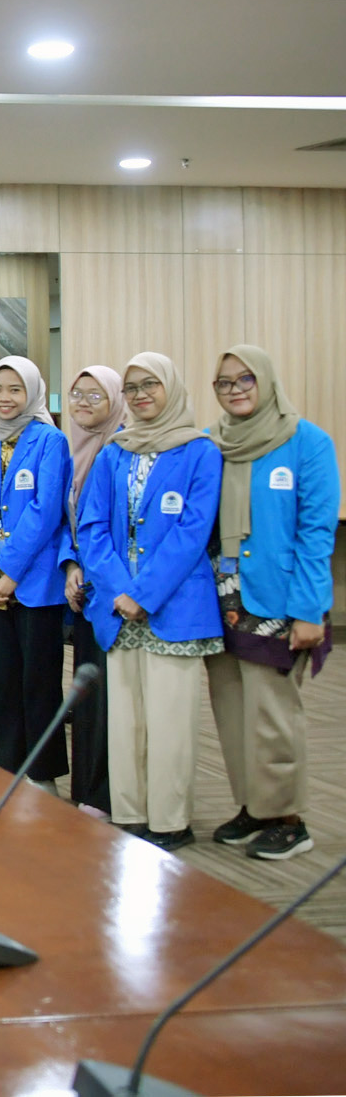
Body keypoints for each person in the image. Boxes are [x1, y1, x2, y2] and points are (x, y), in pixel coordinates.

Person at [76, 353, 222, 850]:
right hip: (117, 609)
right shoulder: (116, 452)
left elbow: (193, 531)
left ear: (172, 389)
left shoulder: (200, 450)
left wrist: (143, 594)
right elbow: (92, 526)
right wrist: (119, 590)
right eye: (133, 387)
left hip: (173, 607)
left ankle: (169, 821)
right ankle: (132, 815)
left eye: (150, 385)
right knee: (127, 719)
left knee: (170, 721)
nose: (140, 396)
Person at [205, 345, 338, 862]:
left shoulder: (307, 443)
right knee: (233, 710)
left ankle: (289, 817)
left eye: (245, 379)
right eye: (224, 382)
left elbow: (316, 532)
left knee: (274, 713)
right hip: (223, 597)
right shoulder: (216, 444)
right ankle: (252, 806)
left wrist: (309, 609)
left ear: (266, 381)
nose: (235, 389)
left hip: (280, 602)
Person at [0, 356, 72, 788]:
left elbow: (46, 511)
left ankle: (42, 776)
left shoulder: (50, 440)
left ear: (32, 392)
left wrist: (9, 573)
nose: (5, 398)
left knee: (39, 684)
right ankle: (6, 768)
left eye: (15, 389)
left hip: (37, 583)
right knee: (1, 684)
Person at [62, 365, 124, 816]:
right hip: (82, 589)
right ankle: (84, 789)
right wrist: (70, 565)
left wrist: (98, 574)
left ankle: (107, 793)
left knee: (112, 696)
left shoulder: (122, 449)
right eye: (77, 395)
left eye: (94, 396)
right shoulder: (73, 448)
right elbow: (70, 522)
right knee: (86, 690)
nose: (83, 404)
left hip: (116, 592)